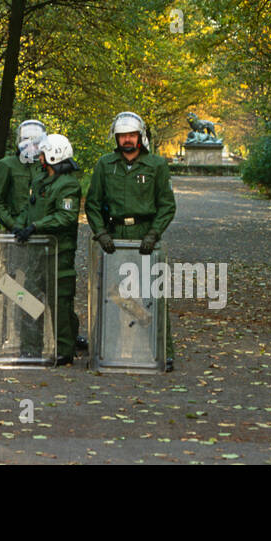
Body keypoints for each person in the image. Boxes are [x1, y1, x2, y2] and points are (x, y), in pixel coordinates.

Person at [85, 111, 178, 369]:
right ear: (116, 138)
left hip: (145, 233)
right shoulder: (105, 165)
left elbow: (167, 205)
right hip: (114, 236)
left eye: (131, 135)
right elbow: (92, 203)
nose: (127, 140)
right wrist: (101, 233)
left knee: (152, 293)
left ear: (140, 137)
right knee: (113, 293)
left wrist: (153, 233)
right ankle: (109, 348)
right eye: (122, 135)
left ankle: (161, 350)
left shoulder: (156, 165)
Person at [15, 134, 83, 365]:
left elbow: (65, 217)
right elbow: (29, 207)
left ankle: (65, 349)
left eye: (43, 154)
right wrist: (21, 225)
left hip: (58, 254)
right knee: (29, 299)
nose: (40, 158)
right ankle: (30, 349)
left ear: (54, 155)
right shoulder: (39, 180)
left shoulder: (69, 185)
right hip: (35, 253)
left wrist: (36, 227)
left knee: (60, 302)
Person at [0, 119, 46, 233]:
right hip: (15, 230)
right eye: (28, 142)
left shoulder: (44, 165)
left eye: (36, 143)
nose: (32, 147)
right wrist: (13, 225)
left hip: (41, 229)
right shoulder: (6, 165)